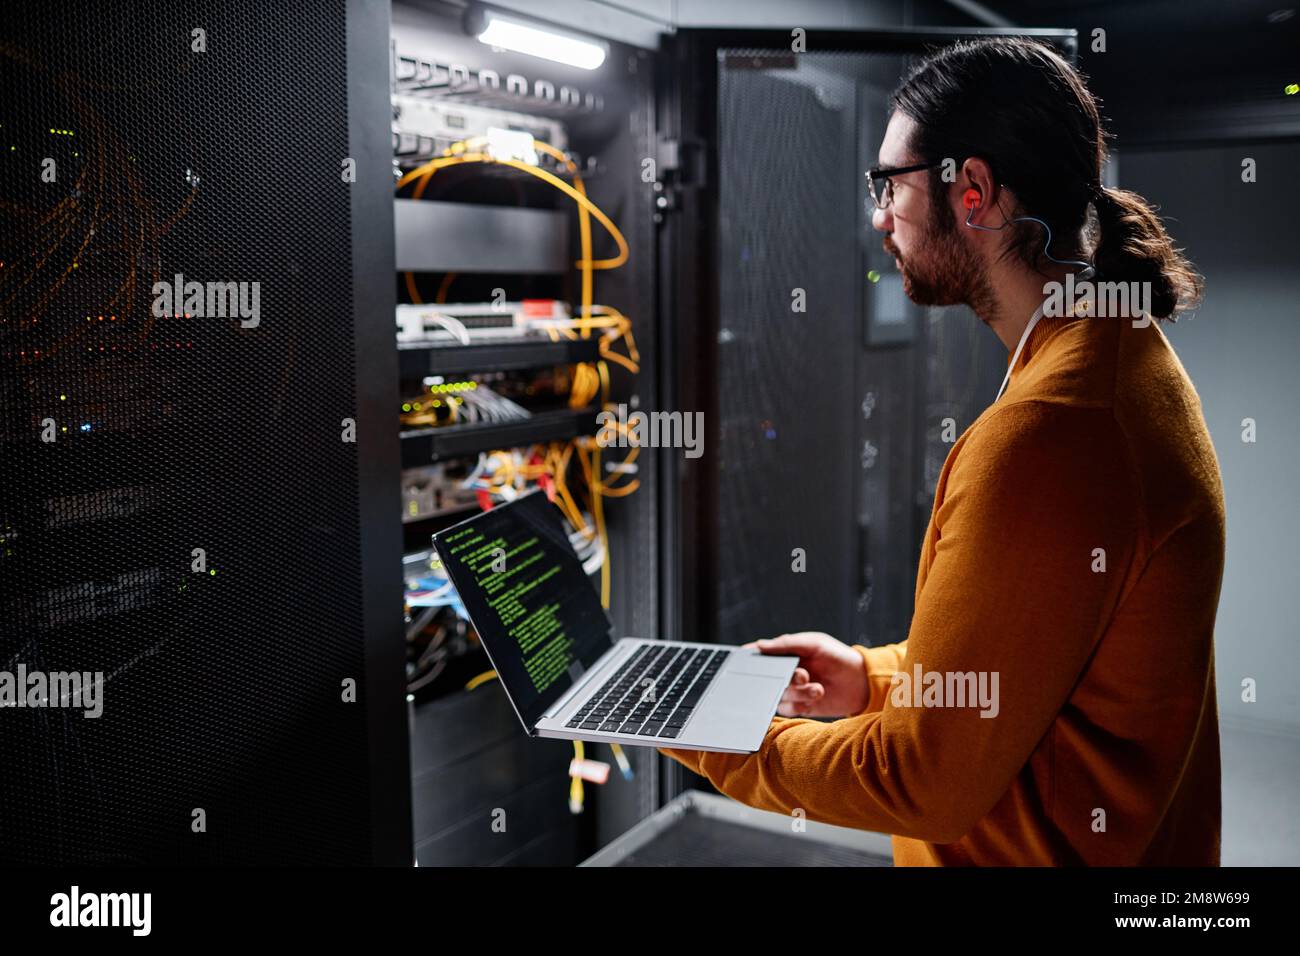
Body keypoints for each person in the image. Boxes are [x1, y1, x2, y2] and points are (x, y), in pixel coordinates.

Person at [658, 37, 1225, 866]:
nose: (879, 217)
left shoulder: (1051, 433)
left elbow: (920, 782)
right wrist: (874, 679)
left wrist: (714, 732)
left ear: (975, 194)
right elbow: (1034, 666)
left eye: (890, 185)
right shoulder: (1117, 353)